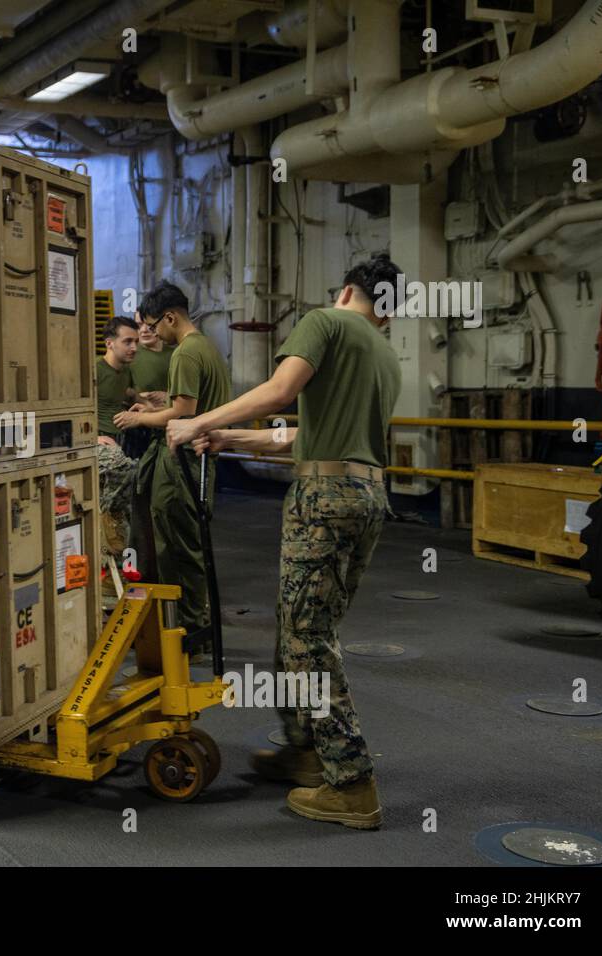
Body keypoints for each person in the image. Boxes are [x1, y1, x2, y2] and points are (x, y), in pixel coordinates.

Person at [166, 252, 402, 830]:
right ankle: (305, 752)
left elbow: (278, 391)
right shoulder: (386, 354)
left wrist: (196, 423)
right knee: (303, 628)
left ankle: (352, 784)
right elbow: (302, 433)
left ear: (347, 290)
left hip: (324, 500)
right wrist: (230, 438)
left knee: (308, 642)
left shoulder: (325, 320)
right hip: (366, 498)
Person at [114, 281, 231, 645]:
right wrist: (155, 407)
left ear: (170, 317)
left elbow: (184, 413)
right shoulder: (206, 347)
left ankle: (189, 631)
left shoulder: (184, 353)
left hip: (183, 464)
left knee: (178, 549)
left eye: (153, 325)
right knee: (188, 545)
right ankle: (195, 625)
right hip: (199, 461)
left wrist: (139, 419)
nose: (151, 333)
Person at [96, 317, 141, 565]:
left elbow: (126, 393)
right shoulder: (94, 371)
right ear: (110, 343)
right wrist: (93, 435)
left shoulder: (126, 372)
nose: (134, 347)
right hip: (97, 443)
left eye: (136, 342)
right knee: (122, 466)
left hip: (118, 439)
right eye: (127, 342)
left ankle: (119, 567)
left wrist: (146, 401)